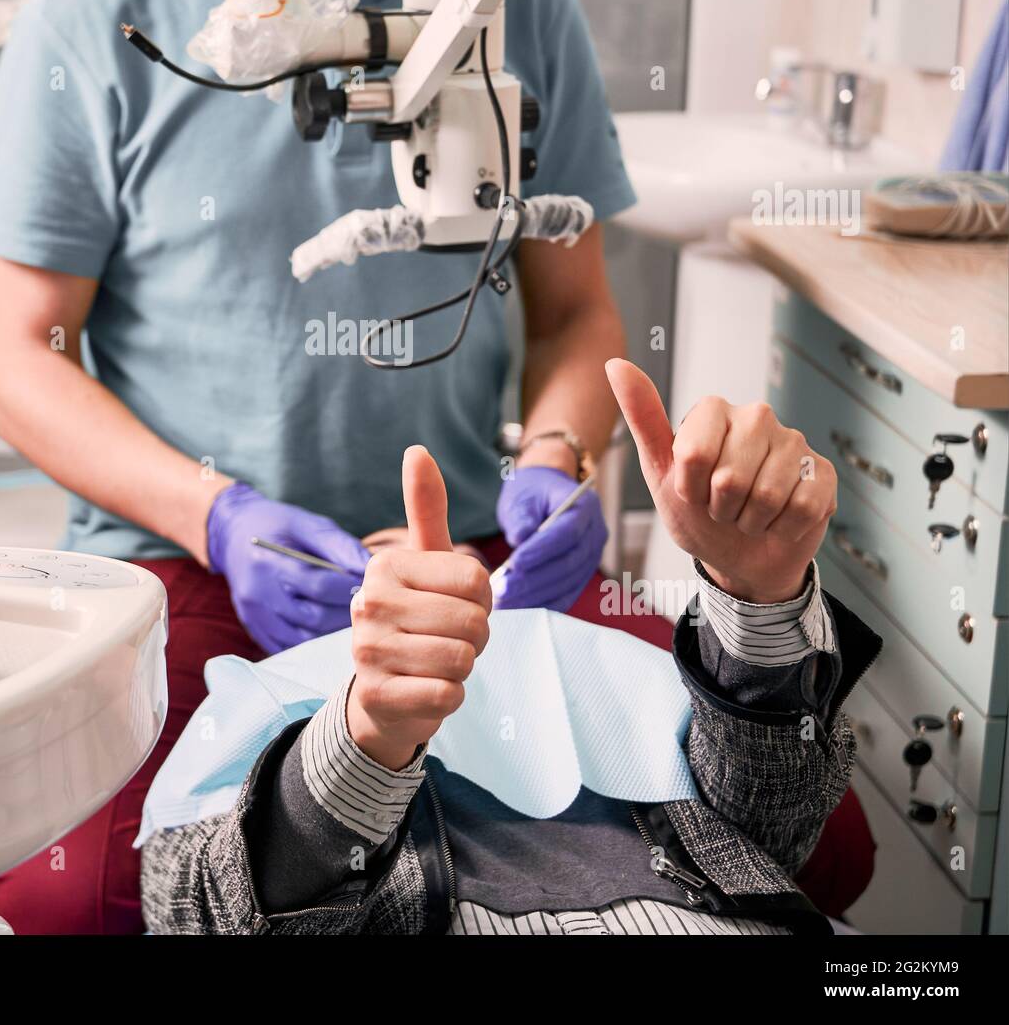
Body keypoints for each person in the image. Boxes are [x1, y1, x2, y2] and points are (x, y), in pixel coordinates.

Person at [0, 0, 632, 932]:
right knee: (78, 900)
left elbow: (577, 313)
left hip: (456, 559)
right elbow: (20, 358)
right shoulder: (97, 20)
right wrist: (212, 515)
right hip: (189, 565)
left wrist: (552, 458)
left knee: (733, 832)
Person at [141, 362, 883, 935]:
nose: (420, 575)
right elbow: (198, 908)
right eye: (379, 567)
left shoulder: (601, 665)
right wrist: (364, 739)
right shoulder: (266, 702)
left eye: (443, 560)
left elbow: (772, 827)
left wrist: (758, 597)